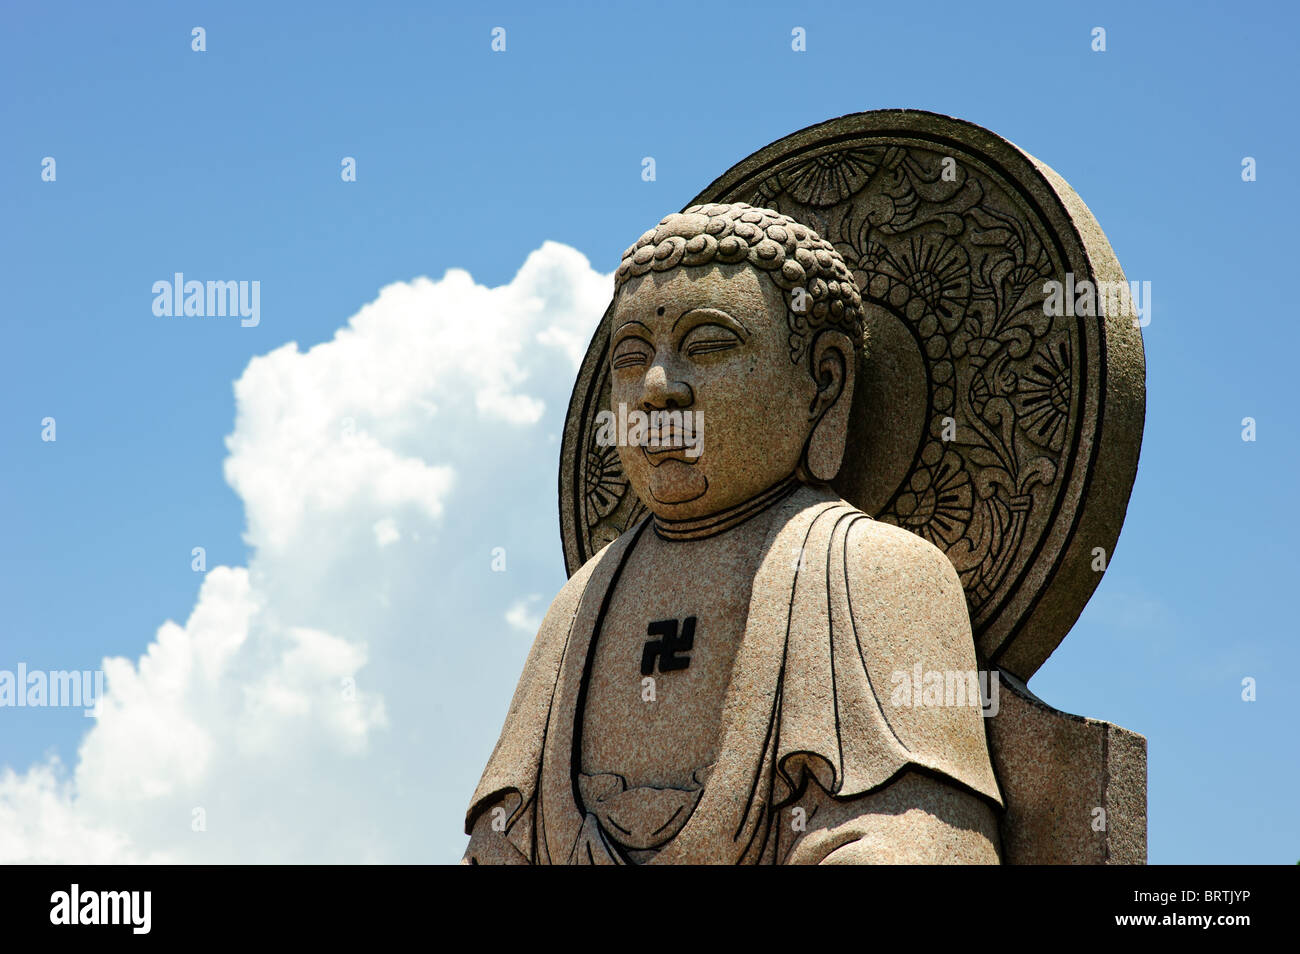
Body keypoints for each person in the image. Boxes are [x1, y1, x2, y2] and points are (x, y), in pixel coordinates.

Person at [463, 203, 1002, 864]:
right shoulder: (578, 607)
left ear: (823, 381)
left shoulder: (875, 572)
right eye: (631, 359)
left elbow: (930, 838)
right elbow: (499, 844)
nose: (658, 389)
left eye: (710, 344)